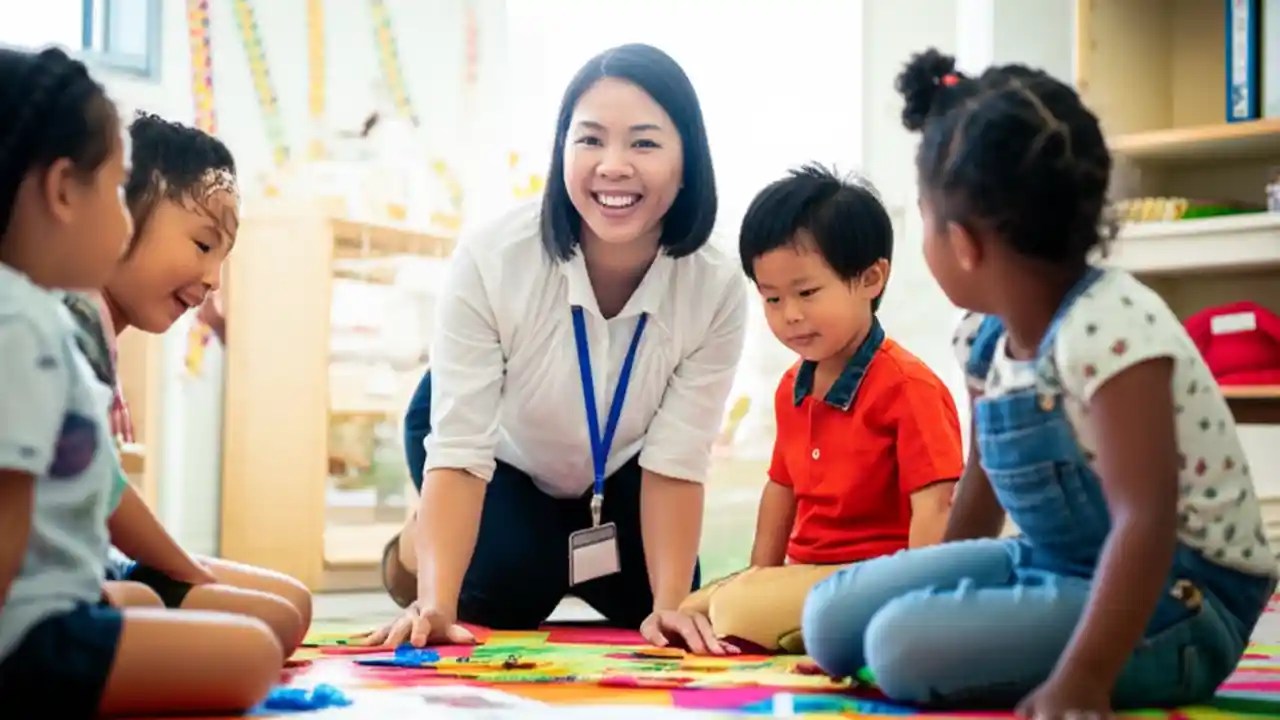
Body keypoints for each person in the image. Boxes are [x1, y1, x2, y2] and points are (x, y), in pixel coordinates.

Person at [800, 48, 1279, 716]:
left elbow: (1146, 520)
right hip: (1053, 562)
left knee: (900, 650)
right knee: (830, 620)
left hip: (1179, 598)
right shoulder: (984, 336)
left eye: (924, 215)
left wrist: (1082, 678)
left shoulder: (1112, 327)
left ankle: (1083, 655)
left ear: (964, 243)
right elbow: (984, 478)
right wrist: (940, 583)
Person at [367, 43, 748, 654]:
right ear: (561, 149)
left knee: (656, 602)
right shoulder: (494, 258)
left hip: (619, 463)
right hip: (494, 446)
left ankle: (536, 546)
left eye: (644, 143)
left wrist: (669, 605)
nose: (613, 166)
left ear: (687, 162)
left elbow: (677, 459)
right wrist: (436, 601)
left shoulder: (718, 286)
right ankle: (416, 544)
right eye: (590, 139)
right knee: (501, 592)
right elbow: (462, 446)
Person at [0, 46, 280, 717]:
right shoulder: (26, 324)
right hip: (29, 634)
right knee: (253, 655)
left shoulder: (33, 314)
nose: (123, 221)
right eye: (117, 192)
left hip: (50, 600)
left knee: (243, 635)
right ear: (64, 190)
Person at [677, 165, 961, 652]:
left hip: (880, 577)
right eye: (771, 298)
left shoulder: (909, 387)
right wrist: (759, 575)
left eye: (807, 293)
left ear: (871, 278)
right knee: (688, 610)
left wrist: (921, 609)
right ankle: (789, 618)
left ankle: (835, 628)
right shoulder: (793, 386)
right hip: (805, 575)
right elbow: (781, 490)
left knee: (736, 611)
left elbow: (935, 506)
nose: (789, 315)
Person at [60, 112, 311, 653]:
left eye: (223, 259)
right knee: (261, 633)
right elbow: (103, 491)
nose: (212, 281)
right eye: (203, 246)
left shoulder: (99, 331)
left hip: (98, 560)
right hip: (55, 572)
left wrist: (184, 569)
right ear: (118, 214)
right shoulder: (66, 316)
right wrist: (185, 568)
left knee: (292, 607)